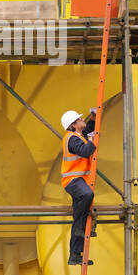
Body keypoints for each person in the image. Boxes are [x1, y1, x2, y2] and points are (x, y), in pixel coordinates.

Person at [59, 108, 98, 266]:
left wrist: (94, 120)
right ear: (74, 125)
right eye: (80, 119)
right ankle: (82, 213)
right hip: (73, 180)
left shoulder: (77, 135)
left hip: (78, 180)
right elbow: (86, 150)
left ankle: (75, 255)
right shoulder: (72, 139)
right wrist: (93, 140)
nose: (84, 120)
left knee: (79, 220)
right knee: (88, 195)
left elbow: (88, 130)